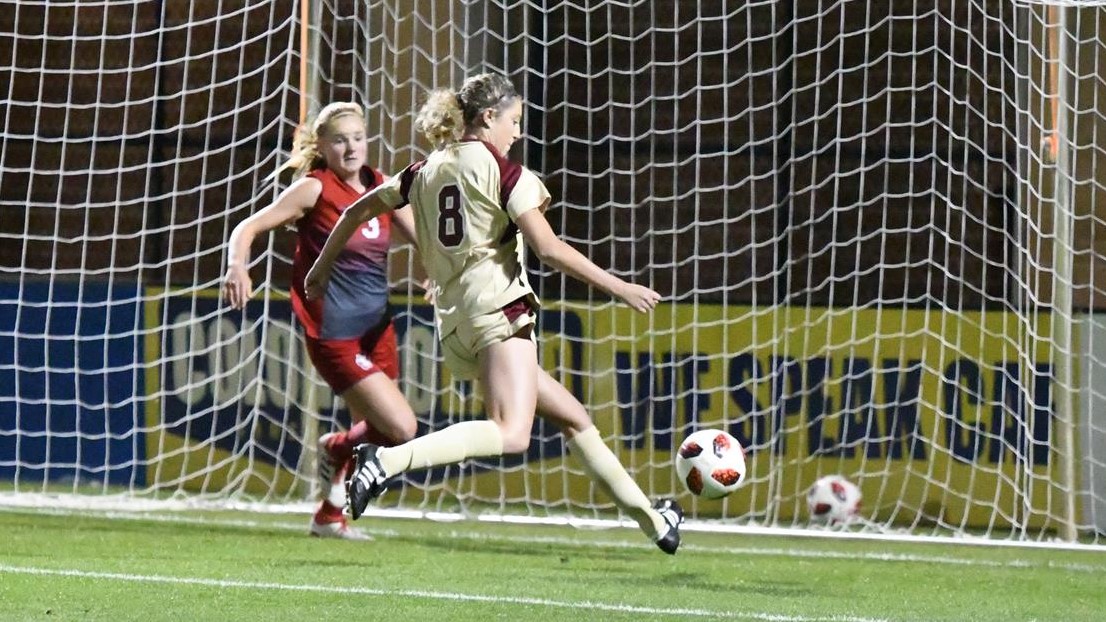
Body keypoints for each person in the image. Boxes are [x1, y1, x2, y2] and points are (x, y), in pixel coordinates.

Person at [304, 74, 684, 554]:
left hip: (459, 324)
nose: (518, 132)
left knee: (573, 416)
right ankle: (386, 462)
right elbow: (547, 249)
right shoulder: (505, 172)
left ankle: (655, 522)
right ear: (488, 118)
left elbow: (354, 212)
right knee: (511, 433)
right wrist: (619, 286)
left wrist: (319, 272)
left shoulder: (422, 170)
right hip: (499, 314)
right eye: (514, 121)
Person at [224, 102, 419, 540]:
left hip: (378, 327)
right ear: (323, 147)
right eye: (339, 139)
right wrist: (238, 265)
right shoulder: (315, 189)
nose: (351, 147)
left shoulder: (381, 186)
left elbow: (423, 238)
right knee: (402, 427)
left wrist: (439, 275)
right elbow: (247, 228)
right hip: (335, 333)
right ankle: (334, 447)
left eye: (357, 137)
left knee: (375, 434)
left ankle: (329, 516)